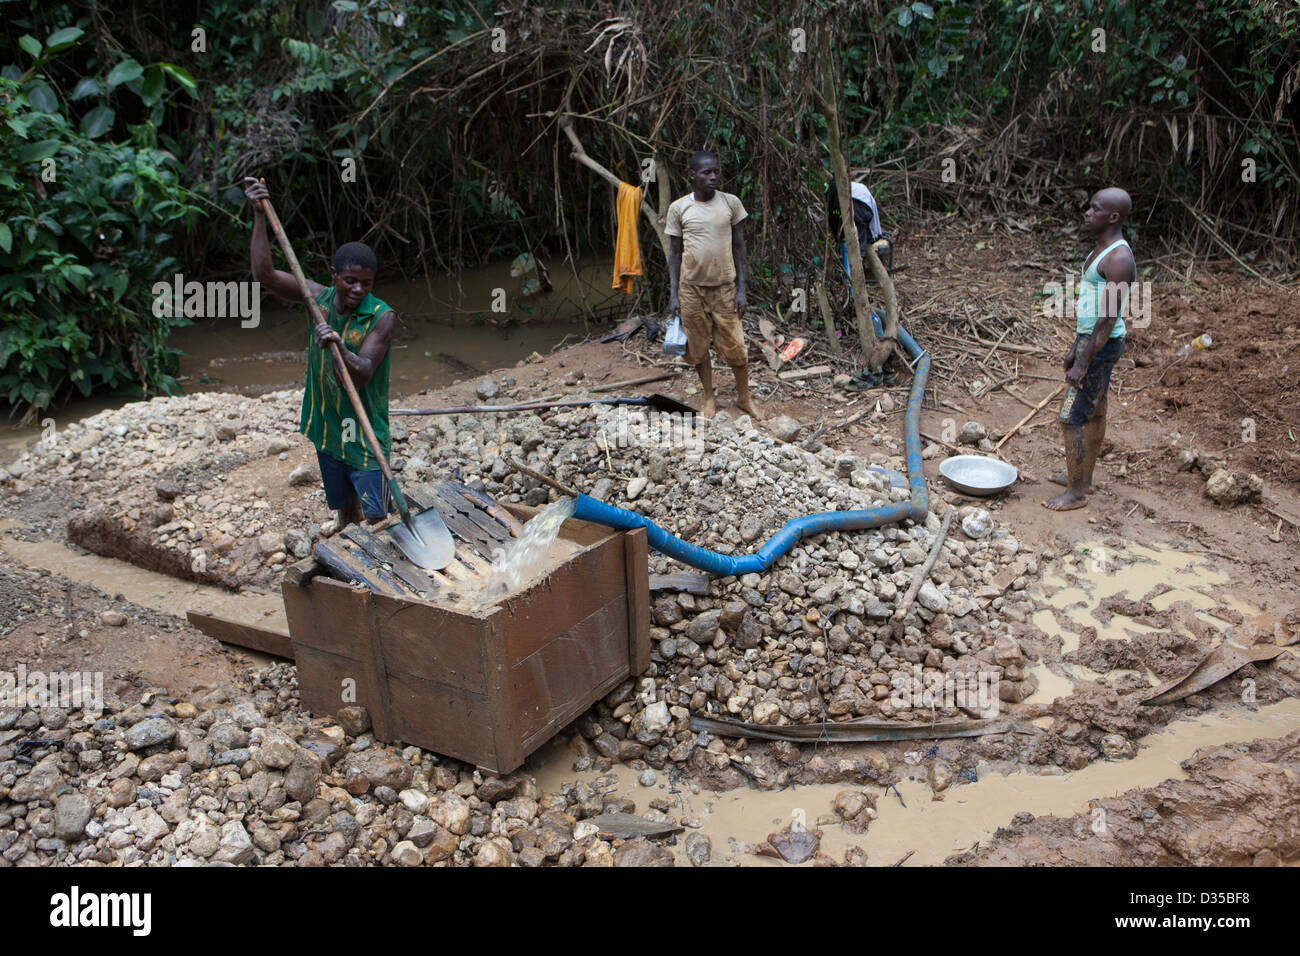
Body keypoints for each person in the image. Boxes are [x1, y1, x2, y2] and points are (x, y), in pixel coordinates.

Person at [244, 178, 397, 532]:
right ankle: (351, 572)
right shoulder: (318, 300)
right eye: (349, 281)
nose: (357, 289)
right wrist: (258, 216)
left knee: (378, 517)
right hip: (328, 428)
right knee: (345, 514)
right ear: (334, 276)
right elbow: (265, 275)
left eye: (366, 283)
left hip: (364, 433)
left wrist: (338, 345)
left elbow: (363, 373)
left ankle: (382, 571)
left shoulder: (382, 317)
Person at [1044, 187, 1135, 512]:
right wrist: (1076, 345)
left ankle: (1076, 493)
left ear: (1113, 217)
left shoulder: (1119, 258)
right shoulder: (1102, 249)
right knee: (1095, 410)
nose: (1087, 212)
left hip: (1103, 343)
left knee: (1071, 417)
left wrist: (1083, 360)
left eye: (1094, 209)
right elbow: (1094, 311)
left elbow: (1108, 318)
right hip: (1094, 340)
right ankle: (1085, 479)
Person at [666, 150, 760, 420]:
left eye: (716, 171)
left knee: (736, 347)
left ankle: (744, 398)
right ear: (692, 175)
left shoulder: (731, 203)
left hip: (724, 289)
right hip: (691, 289)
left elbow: (740, 246)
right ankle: (709, 399)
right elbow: (674, 253)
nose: (713, 177)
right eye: (706, 172)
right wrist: (673, 295)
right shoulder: (679, 208)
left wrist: (742, 289)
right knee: (697, 347)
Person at [826, 177, 890, 276]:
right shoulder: (860, 191)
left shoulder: (833, 189)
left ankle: (854, 272)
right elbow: (873, 224)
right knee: (859, 240)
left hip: (855, 202)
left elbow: (833, 220)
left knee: (856, 239)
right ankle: (854, 271)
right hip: (857, 203)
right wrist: (875, 237)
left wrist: (837, 237)